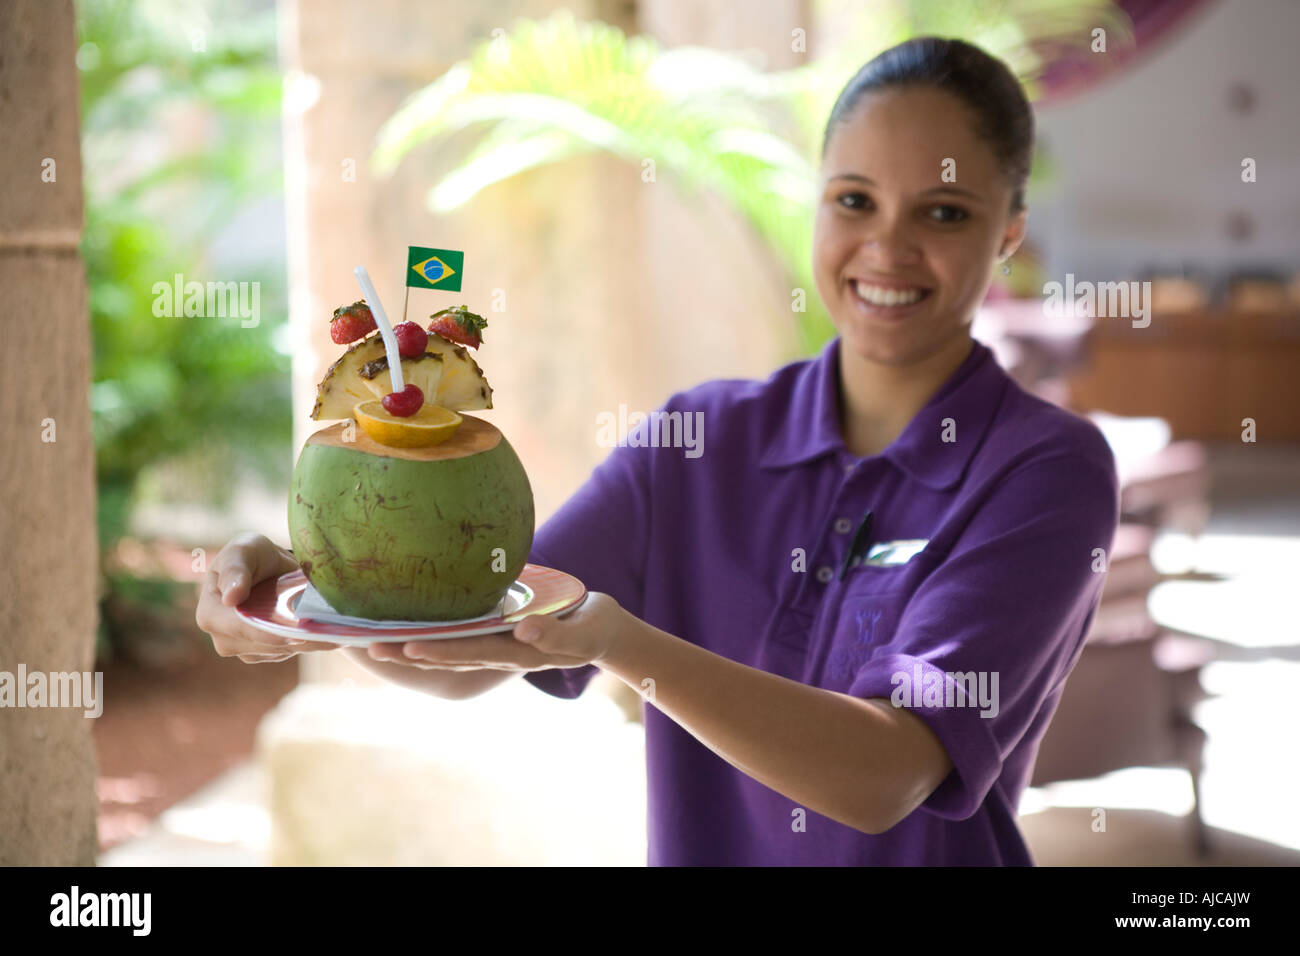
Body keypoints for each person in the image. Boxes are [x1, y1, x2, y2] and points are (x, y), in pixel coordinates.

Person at [196, 36, 1118, 866]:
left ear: (1009, 232)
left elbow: (888, 774)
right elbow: (484, 640)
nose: (888, 246)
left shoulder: (1045, 471)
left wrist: (631, 648)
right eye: (854, 200)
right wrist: (314, 589)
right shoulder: (698, 440)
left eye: (945, 213)